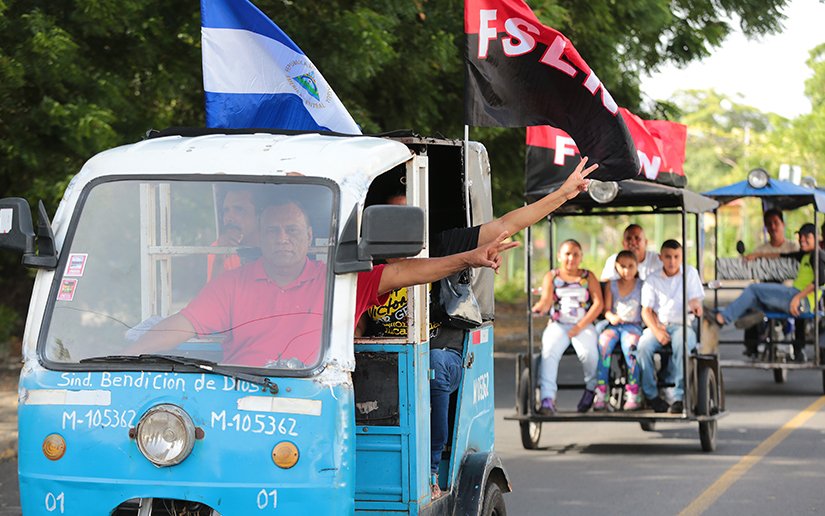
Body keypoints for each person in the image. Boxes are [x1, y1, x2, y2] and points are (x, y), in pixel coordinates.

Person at [359, 157, 597, 497]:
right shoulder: (364, 265)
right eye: (392, 219)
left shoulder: (440, 248)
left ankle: (428, 472)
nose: (401, 229)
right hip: (381, 362)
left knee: (434, 366)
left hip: (439, 356)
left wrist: (562, 194)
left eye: (408, 218)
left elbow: (505, 224)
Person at [130, 199, 517, 366]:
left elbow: (409, 272)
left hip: (316, 401)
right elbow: (180, 326)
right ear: (260, 237)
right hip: (241, 401)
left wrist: (469, 258)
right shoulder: (232, 284)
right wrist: (121, 362)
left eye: (291, 229)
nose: (282, 238)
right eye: (273, 230)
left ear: (308, 234)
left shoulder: (340, 280)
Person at [708, 223, 825, 362]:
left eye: (807, 237)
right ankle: (738, 314)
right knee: (754, 300)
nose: (802, 240)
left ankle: (722, 318)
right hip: (794, 296)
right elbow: (781, 255)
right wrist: (757, 255)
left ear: (816, 238)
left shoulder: (817, 255)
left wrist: (797, 298)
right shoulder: (805, 255)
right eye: (800, 237)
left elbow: (821, 280)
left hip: (799, 300)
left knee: (753, 289)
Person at [532, 239, 604, 414]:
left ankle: (591, 389)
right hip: (559, 324)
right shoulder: (552, 276)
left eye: (575, 254)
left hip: (583, 324)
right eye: (567, 254)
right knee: (549, 352)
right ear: (559, 256)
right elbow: (546, 301)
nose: (571, 258)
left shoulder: (588, 276)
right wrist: (538, 308)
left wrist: (579, 326)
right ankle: (547, 398)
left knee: (589, 354)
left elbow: (598, 304)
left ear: (581, 257)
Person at [637, 240, 704, 413]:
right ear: (661, 258)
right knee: (643, 347)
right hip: (660, 326)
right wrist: (656, 330)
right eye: (668, 257)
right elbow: (646, 311)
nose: (672, 261)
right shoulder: (652, 279)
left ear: (681, 257)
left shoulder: (689, 273)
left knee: (681, 344)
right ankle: (651, 394)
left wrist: (696, 306)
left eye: (676, 257)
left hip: (682, 324)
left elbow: (695, 299)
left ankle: (678, 396)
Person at [739, 209, 799, 357]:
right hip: (765, 294)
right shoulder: (760, 248)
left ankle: (799, 348)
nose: (773, 227)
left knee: (803, 312)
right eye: (769, 224)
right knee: (749, 303)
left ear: (783, 224)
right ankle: (751, 346)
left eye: (776, 223)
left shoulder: (794, 248)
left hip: (788, 294)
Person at [594, 250, 643, 411]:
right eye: (622, 266)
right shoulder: (612, 285)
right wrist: (611, 316)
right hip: (615, 325)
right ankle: (602, 389)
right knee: (603, 344)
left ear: (637, 267)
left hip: (633, 326)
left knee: (631, 348)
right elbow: (606, 309)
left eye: (631, 266)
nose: (627, 271)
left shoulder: (642, 285)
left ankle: (633, 390)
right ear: (616, 267)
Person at [207, 187, 261, 280]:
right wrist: (220, 258)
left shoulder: (274, 246)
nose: (229, 217)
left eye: (239, 209)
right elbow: (213, 293)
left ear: (258, 215)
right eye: (226, 210)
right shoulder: (218, 248)